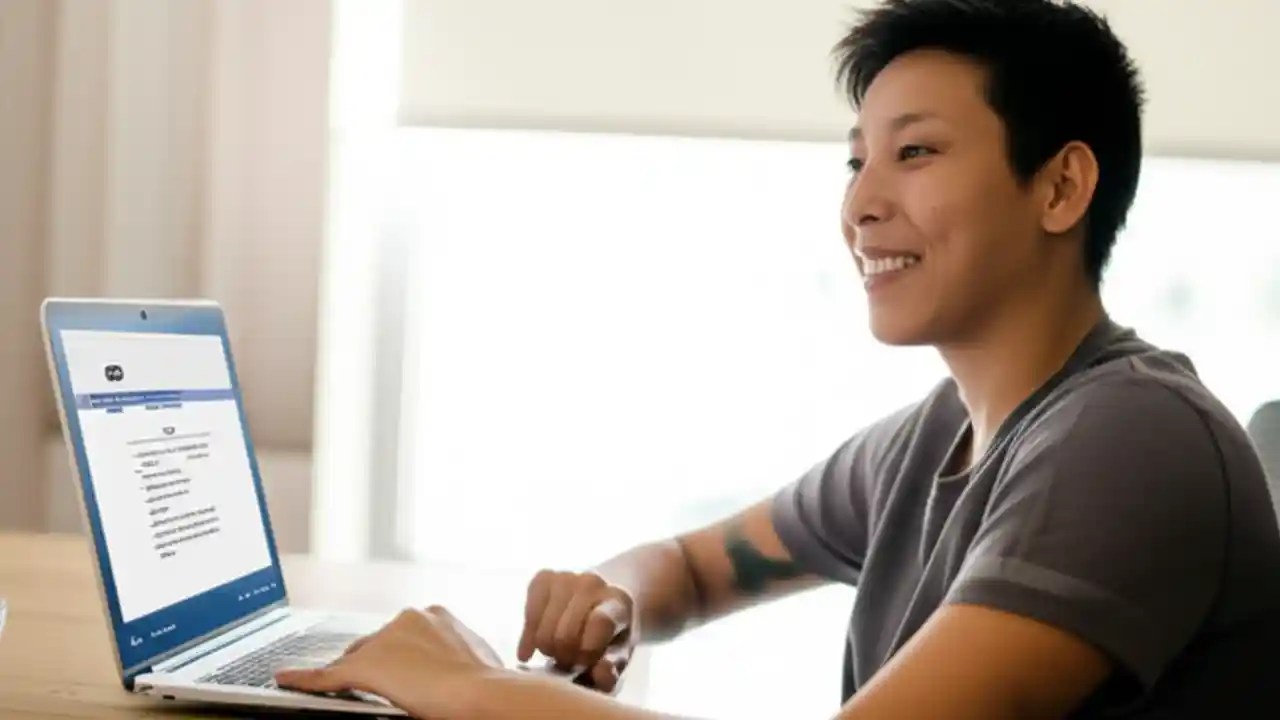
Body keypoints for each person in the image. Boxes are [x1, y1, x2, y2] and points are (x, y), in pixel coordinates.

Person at [277, 0, 1280, 717]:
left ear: (1059, 188)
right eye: (856, 160)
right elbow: (690, 567)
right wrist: (614, 600)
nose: (859, 205)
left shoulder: (1130, 440)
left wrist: (474, 689)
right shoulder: (935, 437)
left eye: (915, 152)